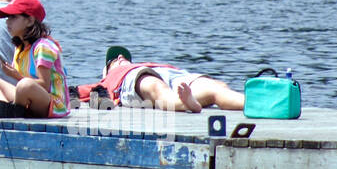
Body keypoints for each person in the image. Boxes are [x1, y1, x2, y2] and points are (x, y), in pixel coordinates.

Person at [0, 0, 71, 119]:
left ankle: (14, 109)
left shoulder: (43, 47)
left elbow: (44, 85)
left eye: (13, 17)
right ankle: (4, 106)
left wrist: (16, 75)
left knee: (25, 85)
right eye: (7, 17)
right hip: (26, 98)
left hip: (52, 104)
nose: (7, 21)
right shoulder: (20, 47)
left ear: (30, 21)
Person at [89, 46, 244, 112]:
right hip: (138, 76)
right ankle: (187, 103)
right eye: (114, 61)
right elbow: (85, 94)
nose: (120, 57)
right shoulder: (109, 80)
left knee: (216, 87)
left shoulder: (143, 66)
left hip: (168, 72)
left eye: (122, 57)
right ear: (107, 71)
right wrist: (107, 77)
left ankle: (253, 102)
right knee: (158, 89)